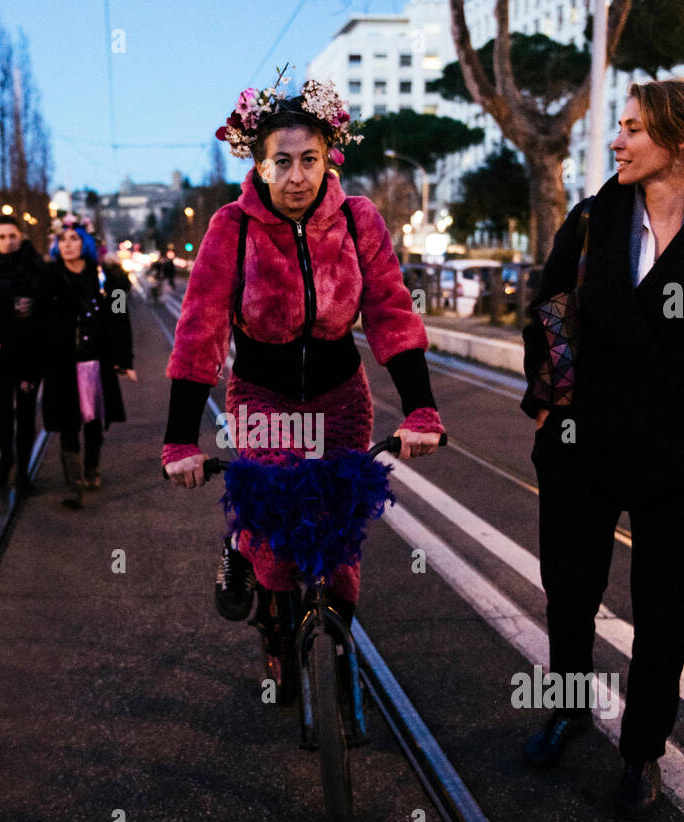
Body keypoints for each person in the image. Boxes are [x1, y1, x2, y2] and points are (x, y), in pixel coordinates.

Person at [519, 76, 684, 818]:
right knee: (570, 593)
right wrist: (547, 406)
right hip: (584, 446)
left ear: (681, 140)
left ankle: (641, 751)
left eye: (633, 128)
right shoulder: (595, 220)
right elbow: (548, 312)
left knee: (663, 613)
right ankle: (568, 707)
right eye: (619, 127)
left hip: (681, 459)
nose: (617, 140)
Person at [162, 74, 444, 695]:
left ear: (329, 158)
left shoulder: (359, 220)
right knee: (277, 543)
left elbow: (393, 314)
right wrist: (181, 439)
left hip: (342, 395)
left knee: (339, 542)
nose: (297, 176)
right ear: (260, 166)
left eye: (309, 160)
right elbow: (200, 331)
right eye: (282, 162)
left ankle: (337, 648)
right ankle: (271, 619)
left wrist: (421, 407)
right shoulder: (229, 229)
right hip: (261, 398)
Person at [45, 215, 136, 508]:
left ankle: (92, 467)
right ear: (56, 245)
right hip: (62, 363)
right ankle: (73, 486)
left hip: (97, 361)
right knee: (68, 422)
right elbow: (39, 323)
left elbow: (121, 319)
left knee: (94, 419)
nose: (68, 244)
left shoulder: (108, 279)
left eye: (74, 239)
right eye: (63, 240)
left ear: (85, 243)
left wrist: (124, 359)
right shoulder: (49, 278)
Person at [0, 214, 51, 492]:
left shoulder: (36, 266)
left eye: (12, 235)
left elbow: (50, 304)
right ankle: (6, 460)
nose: (7, 241)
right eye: (2, 236)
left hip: (29, 353)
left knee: (26, 413)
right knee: (2, 412)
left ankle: (23, 472)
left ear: (21, 236)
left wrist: (34, 309)